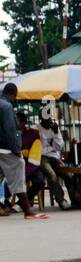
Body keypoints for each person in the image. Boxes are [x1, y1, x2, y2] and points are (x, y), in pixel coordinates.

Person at [0, 84, 47, 219]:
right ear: (13, 94)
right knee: (19, 174)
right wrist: (16, 149)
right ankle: (27, 210)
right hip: (6, 149)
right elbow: (10, 130)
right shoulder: (7, 107)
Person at [38, 113, 71, 210]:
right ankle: (61, 200)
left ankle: (75, 199)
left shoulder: (54, 128)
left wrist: (56, 133)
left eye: (50, 119)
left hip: (54, 156)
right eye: (47, 119)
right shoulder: (37, 129)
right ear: (41, 119)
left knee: (68, 174)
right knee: (52, 175)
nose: (50, 121)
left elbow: (59, 147)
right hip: (42, 157)